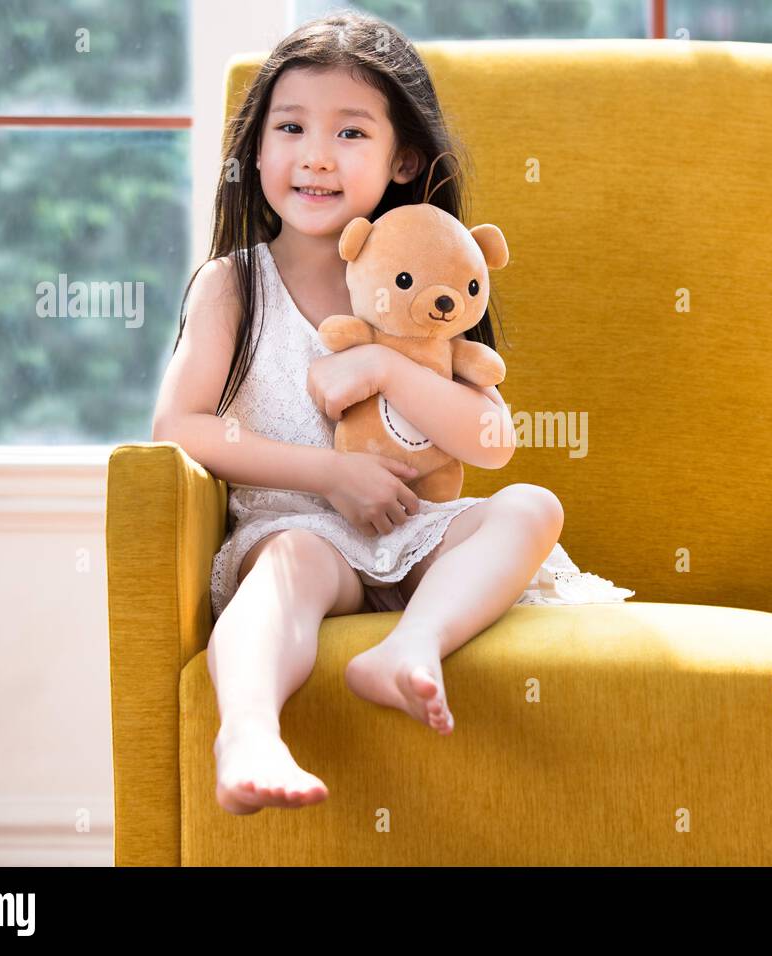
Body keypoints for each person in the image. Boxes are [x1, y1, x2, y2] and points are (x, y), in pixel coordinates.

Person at [151, 11, 632, 816]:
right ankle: (248, 735)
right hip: (299, 528)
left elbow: (492, 442)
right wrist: (331, 474)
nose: (315, 156)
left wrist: (381, 366)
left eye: (350, 133)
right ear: (257, 150)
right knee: (293, 562)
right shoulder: (235, 284)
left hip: (413, 532)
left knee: (530, 507)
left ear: (402, 158)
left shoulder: (421, 272)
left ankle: (411, 646)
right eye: (291, 128)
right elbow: (180, 428)